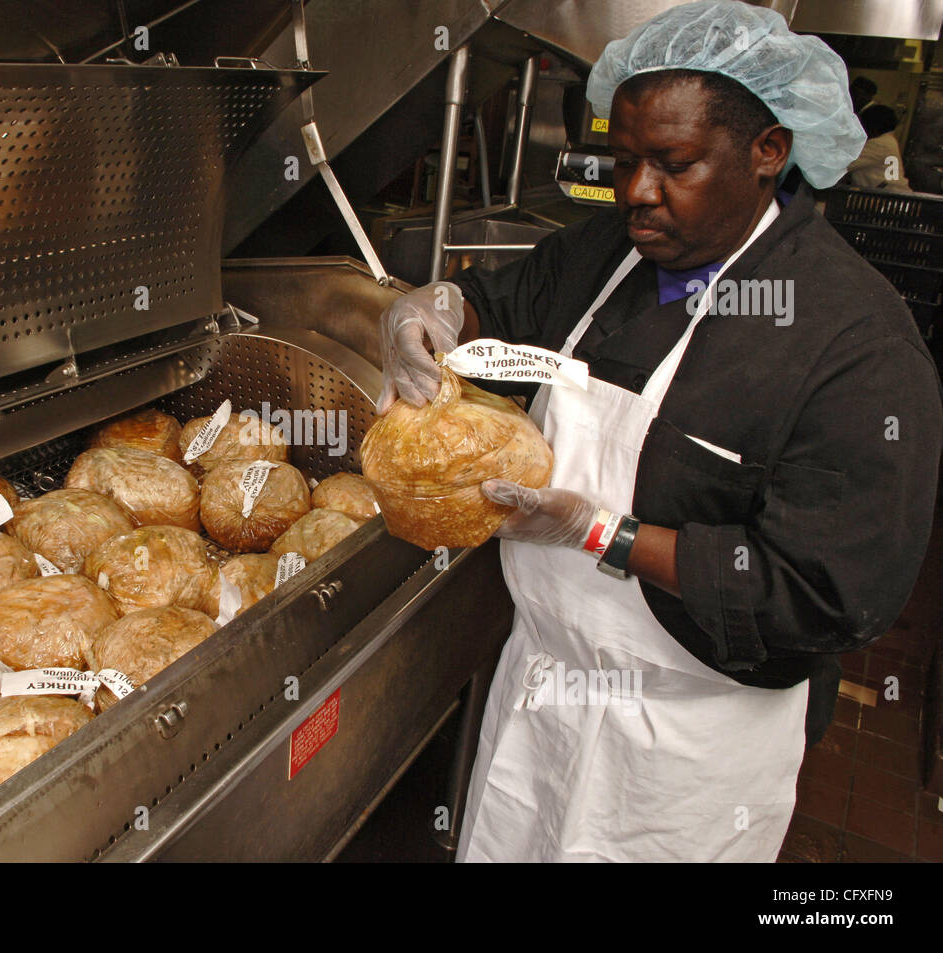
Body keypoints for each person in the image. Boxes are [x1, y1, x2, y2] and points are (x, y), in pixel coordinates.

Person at [377, 0, 942, 862]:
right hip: (543, 695)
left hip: (686, 756)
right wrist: (433, 311)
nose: (637, 192)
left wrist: (599, 531)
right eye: (624, 160)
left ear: (768, 151)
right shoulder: (612, 251)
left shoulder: (855, 346)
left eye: (674, 164)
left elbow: (829, 593)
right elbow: (502, 305)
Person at [846, 102, 913, 191]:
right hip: (886, 194)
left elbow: (846, 164)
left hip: (888, 195)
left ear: (873, 126)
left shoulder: (880, 144)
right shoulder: (887, 140)